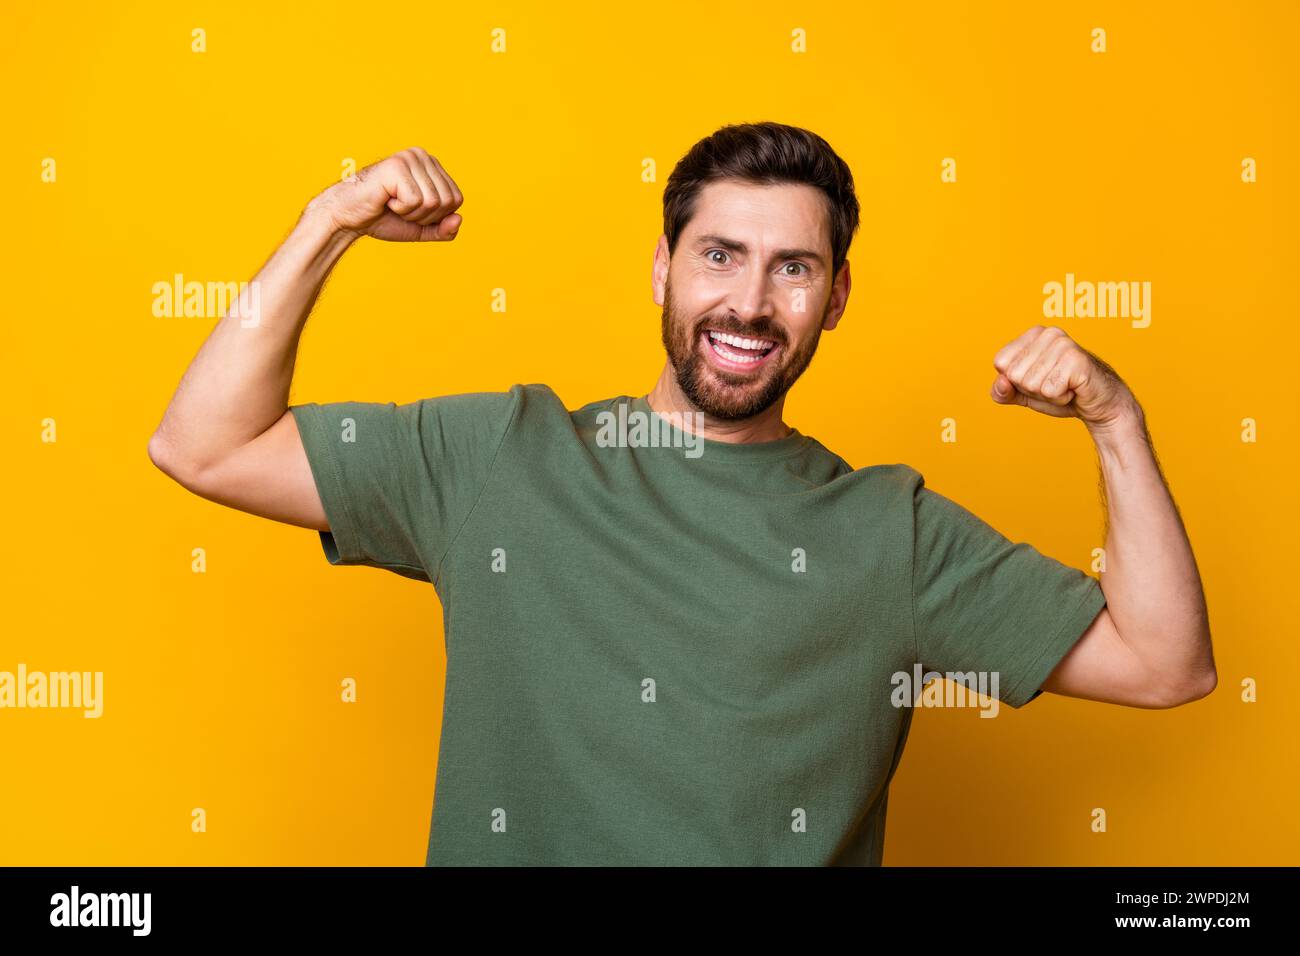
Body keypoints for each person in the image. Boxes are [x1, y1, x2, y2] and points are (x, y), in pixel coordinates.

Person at [148, 122, 1216, 865]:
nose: (749, 302)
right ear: (662, 267)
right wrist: (330, 220)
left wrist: (1114, 421)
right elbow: (204, 444)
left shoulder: (888, 529)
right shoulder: (497, 454)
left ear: (835, 296)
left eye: (793, 268)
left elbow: (1165, 664)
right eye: (719, 255)